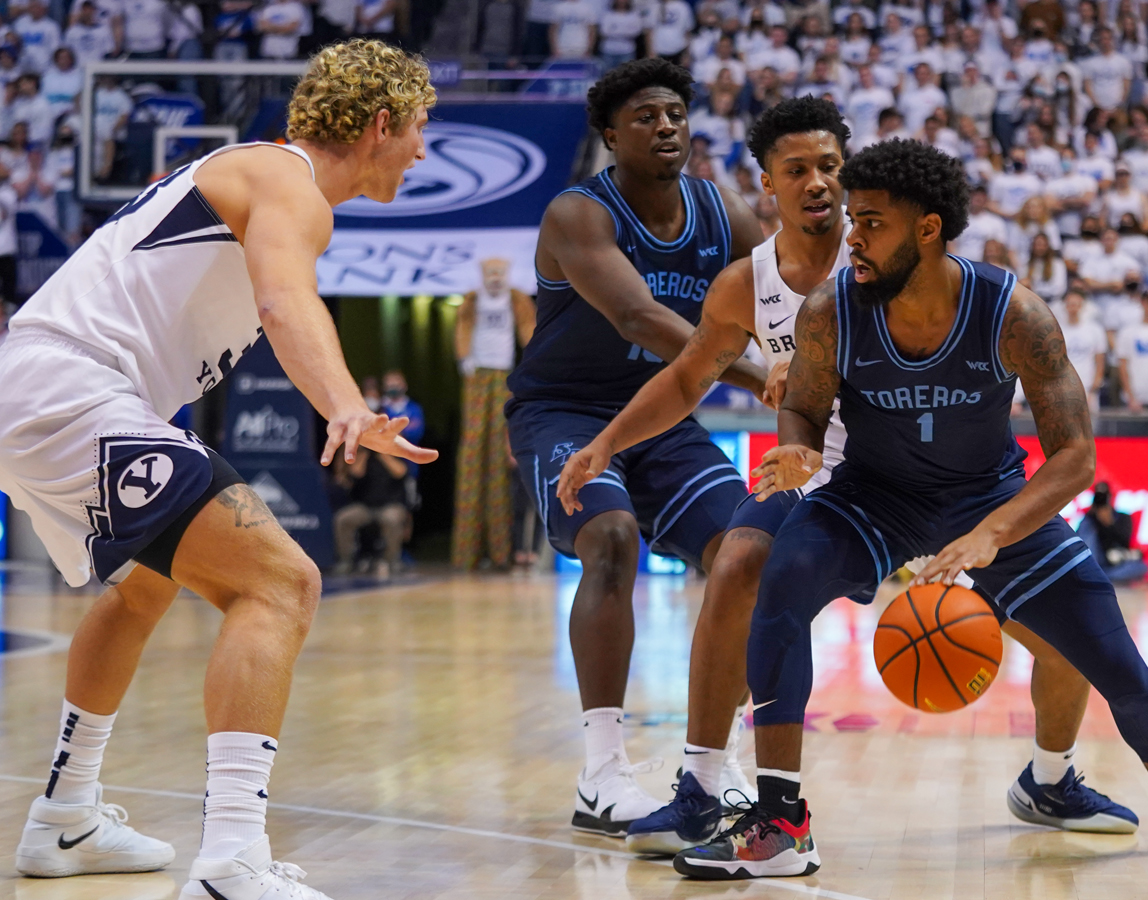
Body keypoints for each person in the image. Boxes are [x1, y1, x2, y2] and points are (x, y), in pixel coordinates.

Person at [671, 139, 1148, 880]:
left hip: (986, 496)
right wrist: (798, 449)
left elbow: (1075, 456)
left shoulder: (1013, 312)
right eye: (853, 222)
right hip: (872, 495)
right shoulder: (832, 311)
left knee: (1113, 655)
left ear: (927, 229)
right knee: (782, 579)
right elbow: (801, 409)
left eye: (870, 223)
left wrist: (991, 535)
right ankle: (780, 822)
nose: (851, 238)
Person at [557, 98, 1139, 857]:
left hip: (941, 477)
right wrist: (605, 443)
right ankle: (703, 785)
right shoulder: (749, 282)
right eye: (796, 170)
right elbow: (687, 377)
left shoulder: (900, 255)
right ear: (767, 183)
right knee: (737, 564)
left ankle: (1051, 778)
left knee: (1062, 632)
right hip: (826, 478)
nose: (818, 183)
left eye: (830, 166)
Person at [0, 40, 436, 898]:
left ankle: (66, 815)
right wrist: (345, 403)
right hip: (69, 387)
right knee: (283, 583)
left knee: (146, 585)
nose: (422, 150)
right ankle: (232, 859)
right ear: (381, 123)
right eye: (420, 129)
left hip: (46, 388)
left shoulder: (263, 177)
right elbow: (284, 303)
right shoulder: (287, 180)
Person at [506, 59, 769, 839]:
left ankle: (717, 771)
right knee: (612, 540)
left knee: (745, 551)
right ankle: (602, 774)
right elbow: (637, 316)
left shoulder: (720, 211)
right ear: (611, 136)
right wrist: (760, 376)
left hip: (662, 417)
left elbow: (783, 294)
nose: (666, 126)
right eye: (647, 116)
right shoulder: (577, 213)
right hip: (565, 416)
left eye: (676, 114)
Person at [452, 257, 535, 571]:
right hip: (478, 375)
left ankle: (502, 552)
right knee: (473, 454)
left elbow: (529, 328)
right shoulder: (473, 301)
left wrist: (533, 359)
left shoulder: (516, 300)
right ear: (483, 275)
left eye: (501, 272)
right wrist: (464, 357)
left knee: (501, 463)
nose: (497, 278)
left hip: (504, 375)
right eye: (492, 273)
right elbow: (462, 327)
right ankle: (466, 553)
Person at [332, 446, 411, 579]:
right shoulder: (362, 455)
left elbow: (400, 472)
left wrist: (382, 453)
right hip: (366, 506)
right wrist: (365, 453)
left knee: (391, 519)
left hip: (391, 505)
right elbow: (356, 473)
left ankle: (391, 561)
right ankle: (345, 561)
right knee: (343, 518)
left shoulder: (393, 453)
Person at [1081, 481, 1148, 583]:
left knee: (1141, 567)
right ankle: (1092, 573)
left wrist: (1110, 524)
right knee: (1087, 527)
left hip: (1115, 563)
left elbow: (1125, 541)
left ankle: (1101, 576)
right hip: (1097, 558)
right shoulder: (1089, 520)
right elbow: (1081, 540)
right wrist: (1093, 515)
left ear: (1111, 497)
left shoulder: (1123, 517)